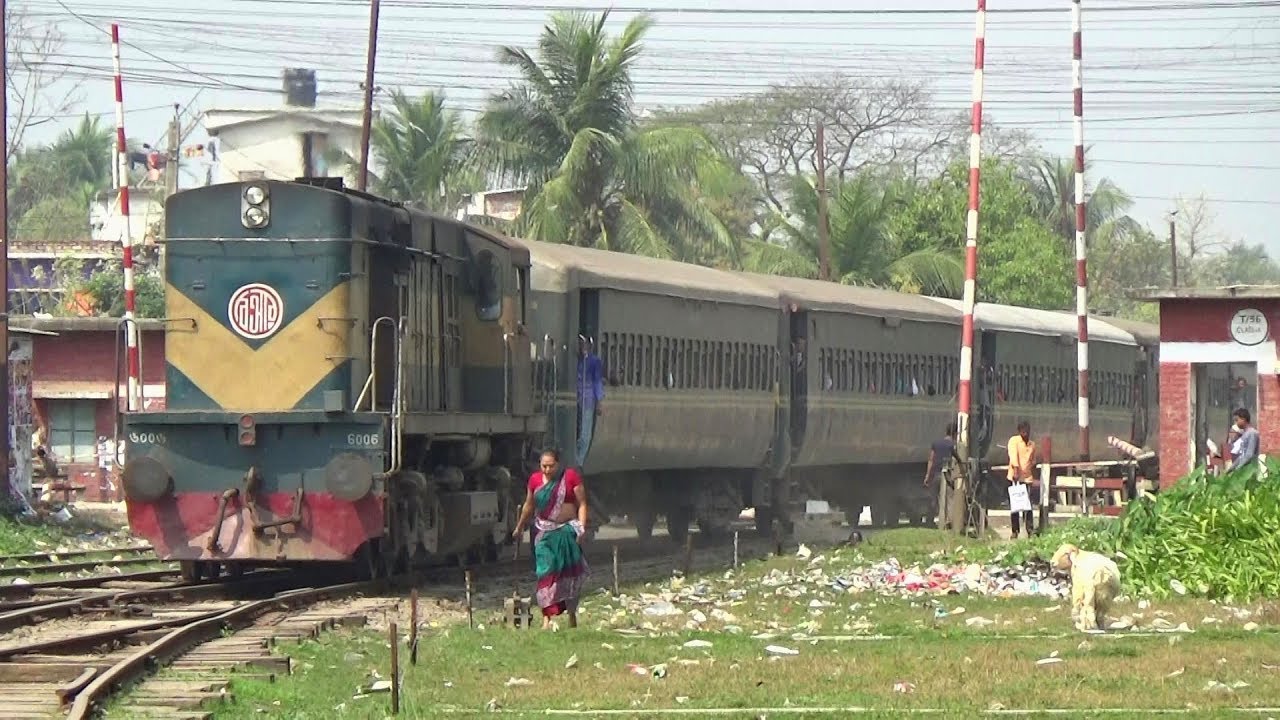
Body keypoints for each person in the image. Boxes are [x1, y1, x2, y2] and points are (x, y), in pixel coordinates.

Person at [512, 448, 590, 629]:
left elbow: (582, 503)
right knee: (545, 572)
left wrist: (582, 528)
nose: (547, 470)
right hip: (544, 532)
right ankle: (547, 619)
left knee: (568, 574)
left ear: (558, 464)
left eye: (551, 466)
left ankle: (571, 615)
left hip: (567, 533)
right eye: (543, 466)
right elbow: (529, 505)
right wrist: (519, 526)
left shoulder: (570, 477)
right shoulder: (535, 480)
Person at [922, 422, 961, 523]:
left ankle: (929, 520)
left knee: (933, 498)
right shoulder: (953, 445)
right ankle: (948, 521)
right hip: (946, 475)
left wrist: (927, 475)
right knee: (949, 498)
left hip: (935, 475)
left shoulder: (936, 443)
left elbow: (931, 459)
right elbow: (958, 459)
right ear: (956, 433)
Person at [1006, 420, 1038, 539]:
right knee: (1015, 505)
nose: (1025, 433)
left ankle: (1030, 530)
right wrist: (1015, 470)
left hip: (1027, 478)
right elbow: (1013, 455)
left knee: (1027, 505)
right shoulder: (1014, 441)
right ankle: (1015, 531)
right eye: (1023, 431)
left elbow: (1033, 460)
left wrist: (1032, 466)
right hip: (1015, 477)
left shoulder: (1032, 444)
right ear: (1019, 432)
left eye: (1027, 431)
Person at [576, 336, 605, 467]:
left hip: (588, 400)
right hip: (576, 399)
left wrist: (599, 400)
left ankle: (579, 461)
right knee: (578, 431)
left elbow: (597, 381)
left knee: (585, 433)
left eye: (584, 343)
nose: (582, 346)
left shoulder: (594, 361)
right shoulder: (576, 360)